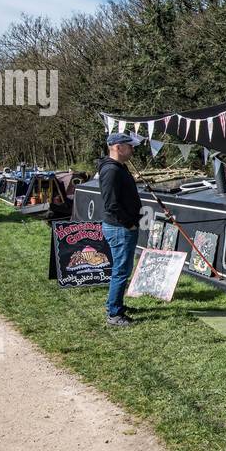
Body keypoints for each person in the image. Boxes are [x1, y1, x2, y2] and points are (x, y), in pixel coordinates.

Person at [99, 132, 144, 327]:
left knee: (122, 269)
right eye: (130, 146)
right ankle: (114, 314)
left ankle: (115, 304)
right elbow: (111, 204)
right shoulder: (111, 171)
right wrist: (129, 223)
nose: (132, 149)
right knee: (121, 270)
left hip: (122, 227)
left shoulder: (119, 167)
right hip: (120, 228)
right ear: (118, 147)